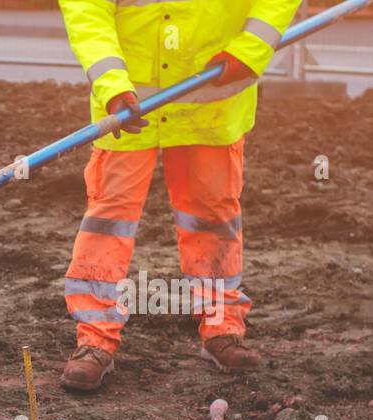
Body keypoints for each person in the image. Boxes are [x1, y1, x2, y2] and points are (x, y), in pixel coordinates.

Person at [57, 0, 301, 392]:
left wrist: (250, 50)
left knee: (211, 218)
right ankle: (94, 339)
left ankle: (222, 326)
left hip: (211, 101)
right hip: (129, 108)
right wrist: (111, 84)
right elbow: (87, 11)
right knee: (108, 221)